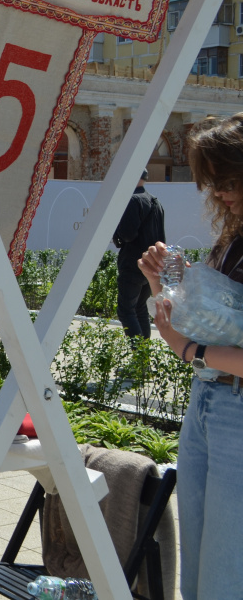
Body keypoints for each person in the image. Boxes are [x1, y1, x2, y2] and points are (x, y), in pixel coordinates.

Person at [141, 114, 243, 600]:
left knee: (226, 567)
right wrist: (162, 284)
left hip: (234, 406)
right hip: (210, 399)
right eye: (214, 184)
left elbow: (199, 340)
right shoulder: (233, 240)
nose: (220, 194)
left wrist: (190, 349)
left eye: (228, 181)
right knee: (200, 560)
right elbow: (202, 321)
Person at [114, 168, 165, 344]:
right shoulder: (155, 201)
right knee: (140, 308)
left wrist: (117, 233)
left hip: (133, 264)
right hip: (151, 265)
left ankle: (139, 363)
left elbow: (127, 234)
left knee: (126, 310)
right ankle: (143, 361)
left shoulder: (133, 200)